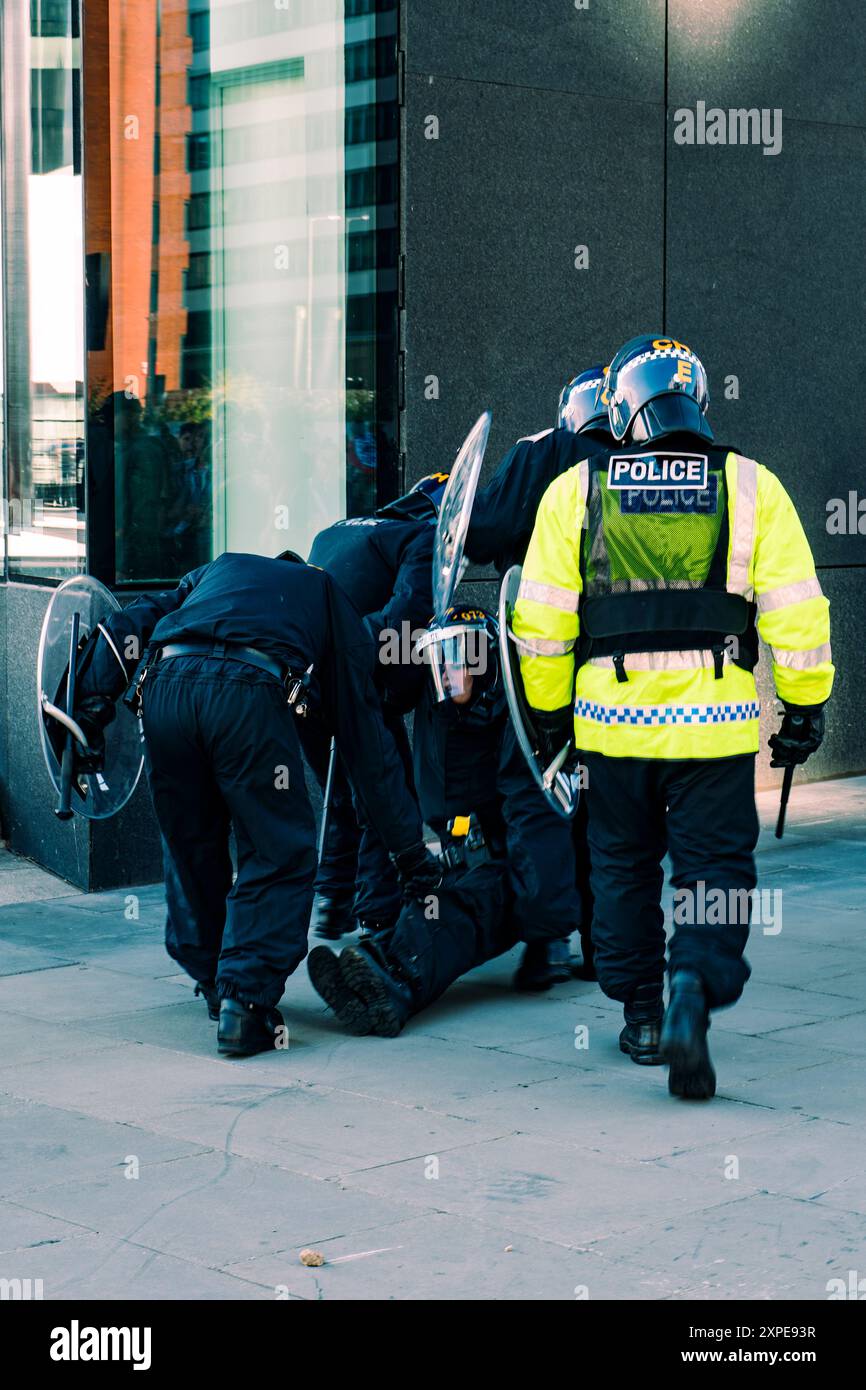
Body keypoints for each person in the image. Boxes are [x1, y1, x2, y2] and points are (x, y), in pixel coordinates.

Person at [512, 333, 833, 1099]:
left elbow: (541, 623)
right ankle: (695, 985)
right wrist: (804, 707)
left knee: (620, 869)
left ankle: (645, 1016)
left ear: (622, 407)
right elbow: (797, 610)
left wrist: (553, 720)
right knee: (714, 870)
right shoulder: (751, 485)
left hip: (609, 730)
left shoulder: (576, 490)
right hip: (716, 729)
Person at [58, 550, 440, 1057]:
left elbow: (134, 621)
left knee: (190, 844)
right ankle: (246, 1004)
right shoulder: (324, 592)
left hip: (166, 691)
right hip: (248, 692)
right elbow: (366, 744)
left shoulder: (215, 569)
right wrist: (411, 855)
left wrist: (83, 703)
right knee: (277, 847)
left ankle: (215, 978)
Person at [307, 606, 521, 1036]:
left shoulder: (510, 712)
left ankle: (395, 987)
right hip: (458, 853)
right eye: (442, 657)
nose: (451, 669)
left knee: (455, 917)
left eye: (464, 655)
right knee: (427, 907)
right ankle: (373, 964)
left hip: (504, 863)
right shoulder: (435, 707)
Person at [464, 367, 612, 989]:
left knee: (535, 780)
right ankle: (606, 942)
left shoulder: (547, 450)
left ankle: (548, 941)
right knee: (609, 793)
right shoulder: (645, 468)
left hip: (544, 647)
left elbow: (479, 531)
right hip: (624, 658)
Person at [302, 473, 448, 940]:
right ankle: (379, 915)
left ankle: (330, 902)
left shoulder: (336, 530)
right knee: (386, 794)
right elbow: (406, 614)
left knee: (341, 791)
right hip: (355, 676)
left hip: (302, 677)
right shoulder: (421, 537)